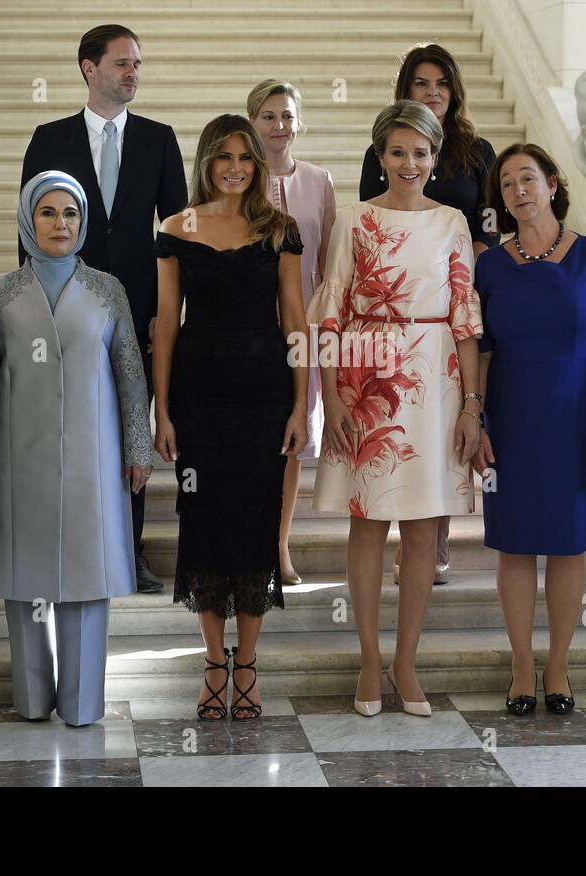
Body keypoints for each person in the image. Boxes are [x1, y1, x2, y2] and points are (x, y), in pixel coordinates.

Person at [310, 100, 483, 717]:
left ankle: (405, 662)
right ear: (380, 156)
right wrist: (329, 395)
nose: (409, 163)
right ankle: (366, 660)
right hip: (366, 373)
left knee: (422, 525)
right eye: (398, 151)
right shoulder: (354, 220)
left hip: (434, 379)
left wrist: (471, 404)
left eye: (421, 152)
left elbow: (466, 319)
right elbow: (330, 308)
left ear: (435, 159)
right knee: (366, 523)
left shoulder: (454, 222)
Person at [0, 171, 152, 726]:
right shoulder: (2, 294)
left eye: (69, 213)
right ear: (28, 220)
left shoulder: (107, 290)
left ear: (83, 221)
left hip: (93, 458)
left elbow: (131, 377)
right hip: (17, 455)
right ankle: (31, 697)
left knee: (88, 577)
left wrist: (138, 446)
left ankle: (82, 702)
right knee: (24, 581)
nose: (60, 223)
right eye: (48, 213)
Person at [19, 24, 187, 594]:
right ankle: (67, 544)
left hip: (139, 314)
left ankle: (129, 549)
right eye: (121, 64)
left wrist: (169, 314)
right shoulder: (49, 138)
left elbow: (176, 235)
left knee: (130, 429)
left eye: (137, 63)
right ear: (89, 68)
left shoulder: (159, 139)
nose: (132, 72)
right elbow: (30, 233)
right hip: (68, 309)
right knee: (67, 425)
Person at [153, 115, 308, 721]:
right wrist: (161, 410)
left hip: (265, 397)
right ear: (207, 161)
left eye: (246, 156)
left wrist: (301, 404)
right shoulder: (175, 228)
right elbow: (166, 324)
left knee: (253, 530)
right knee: (206, 529)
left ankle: (248, 665)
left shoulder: (281, 230)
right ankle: (213, 663)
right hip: (199, 397)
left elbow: (295, 321)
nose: (237, 167)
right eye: (225, 157)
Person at [473, 143, 586, 715]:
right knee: (513, 547)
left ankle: (558, 665)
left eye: (529, 178)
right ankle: (520, 665)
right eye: (508, 183)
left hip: (577, 417)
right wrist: (478, 416)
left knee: (568, 546)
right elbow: (481, 351)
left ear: (553, 184)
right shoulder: (489, 264)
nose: (519, 190)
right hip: (511, 418)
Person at [358, 43, 497, 584]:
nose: (432, 92)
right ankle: (402, 534)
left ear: (453, 91)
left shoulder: (477, 151)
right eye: (420, 83)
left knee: (441, 430)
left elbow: (486, 228)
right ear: (405, 89)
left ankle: (433, 538)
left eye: (441, 83)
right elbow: (376, 227)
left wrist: (470, 294)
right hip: (397, 310)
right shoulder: (383, 150)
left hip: (456, 297)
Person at [248, 80, 337, 586]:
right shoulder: (237, 179)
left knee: (291, 442)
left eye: (287, 116)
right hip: (252, 329)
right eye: (268, 116)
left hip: (302, 333)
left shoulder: (320, 180)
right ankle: (251, 543)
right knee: (254, 443)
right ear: (251, 122)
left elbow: (326, 264)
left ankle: (279, 547)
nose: (280, 125)